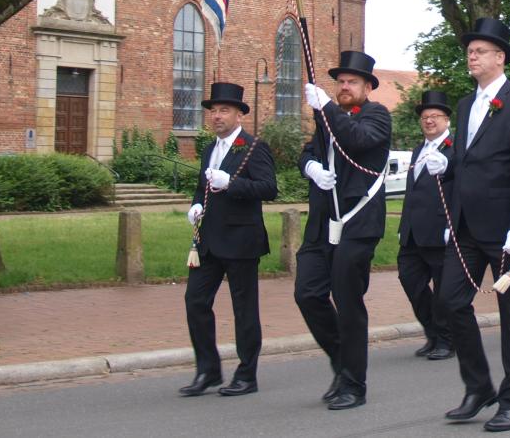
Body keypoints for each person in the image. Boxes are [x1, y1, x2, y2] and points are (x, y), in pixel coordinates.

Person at [438, 18, 510, 432]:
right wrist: (445, 166)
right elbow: (468, 162)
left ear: (500, 58)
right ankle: (479, 386)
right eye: (470, 50)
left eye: (480, 51)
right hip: (465, 226)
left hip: (506, 230)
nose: (472, 56)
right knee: (450, 301)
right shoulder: (466, 105)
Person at [295, 51, 392, 410]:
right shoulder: (328, 117)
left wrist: (326, 108)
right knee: (307, 293)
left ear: (367, 87)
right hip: (323, 223)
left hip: (357, 222)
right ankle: (342, 358)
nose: (344, 87)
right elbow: (309, 152)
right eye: (340, 82)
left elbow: (357, 139)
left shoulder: (377, 115)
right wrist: (310, 167)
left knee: (348, 301)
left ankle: (354, 384)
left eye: (352, 82)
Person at [180, 82, 277, 398]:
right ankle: (208, 370)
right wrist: (196, 204)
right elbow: (202, 187)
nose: (217, 116)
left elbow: (269, 188)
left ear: (239, 115)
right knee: (195, 301)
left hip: (241, 240)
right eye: (213, 111)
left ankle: (247, 375)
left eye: (224, 110)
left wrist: (231, 184)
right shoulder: (210, 149)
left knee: (244, 309)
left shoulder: (253, 147)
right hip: (209, 241)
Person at [398, 90, 456, 361]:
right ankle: (432, 332)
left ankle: (446, 339)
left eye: (435, 116)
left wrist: (453, 225)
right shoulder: (418, 150)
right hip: (412, 232)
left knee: (444, 289)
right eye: (424, 117)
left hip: (441, 230)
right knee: (410, 281)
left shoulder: (456, 149)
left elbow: (462, 189)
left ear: (446, 120)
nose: (429, 121)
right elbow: (414, 190)